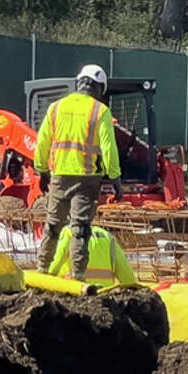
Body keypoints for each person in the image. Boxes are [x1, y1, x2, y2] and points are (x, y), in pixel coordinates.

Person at [37, 65, 121, 280]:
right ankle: (78, 275)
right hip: (87, 179)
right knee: (80, 228)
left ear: (79, 82)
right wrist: (115, 177)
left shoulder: (56, 107)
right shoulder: (100, 111)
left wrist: (42, 170)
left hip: (59, 176)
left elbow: (42, 141)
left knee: (53, 226)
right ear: (99, 88)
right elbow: (108, 148)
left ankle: (42, 269)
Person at [42, 223, 140, 289]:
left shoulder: (67, 234)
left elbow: (53, 266)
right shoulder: (106, 236)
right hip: (105, 297)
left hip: (76, 296)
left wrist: (41, 282)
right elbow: (127, 275)